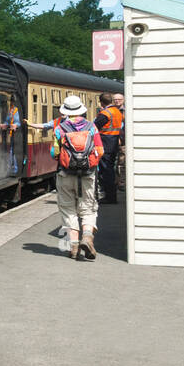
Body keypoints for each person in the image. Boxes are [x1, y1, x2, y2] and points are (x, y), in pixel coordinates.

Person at [51, 94, 104, 260]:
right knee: (88, 208)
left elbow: (54, 153)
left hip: (65, 175)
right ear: (81, 109)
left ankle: (74, 247)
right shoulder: (92, 127)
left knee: (68, 209)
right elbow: (100, 151)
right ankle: (87, 237)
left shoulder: (60, 128)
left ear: (66, 111)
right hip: (88, 175)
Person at [94, 92, 125, 204]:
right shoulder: (117, 111)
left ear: (101, 102)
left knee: (106, 170)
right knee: (110, 169)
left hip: (105, 142)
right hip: (114, 141)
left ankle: (110, 197)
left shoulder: (105, 113)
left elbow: (94, 127)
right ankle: (111, 196)